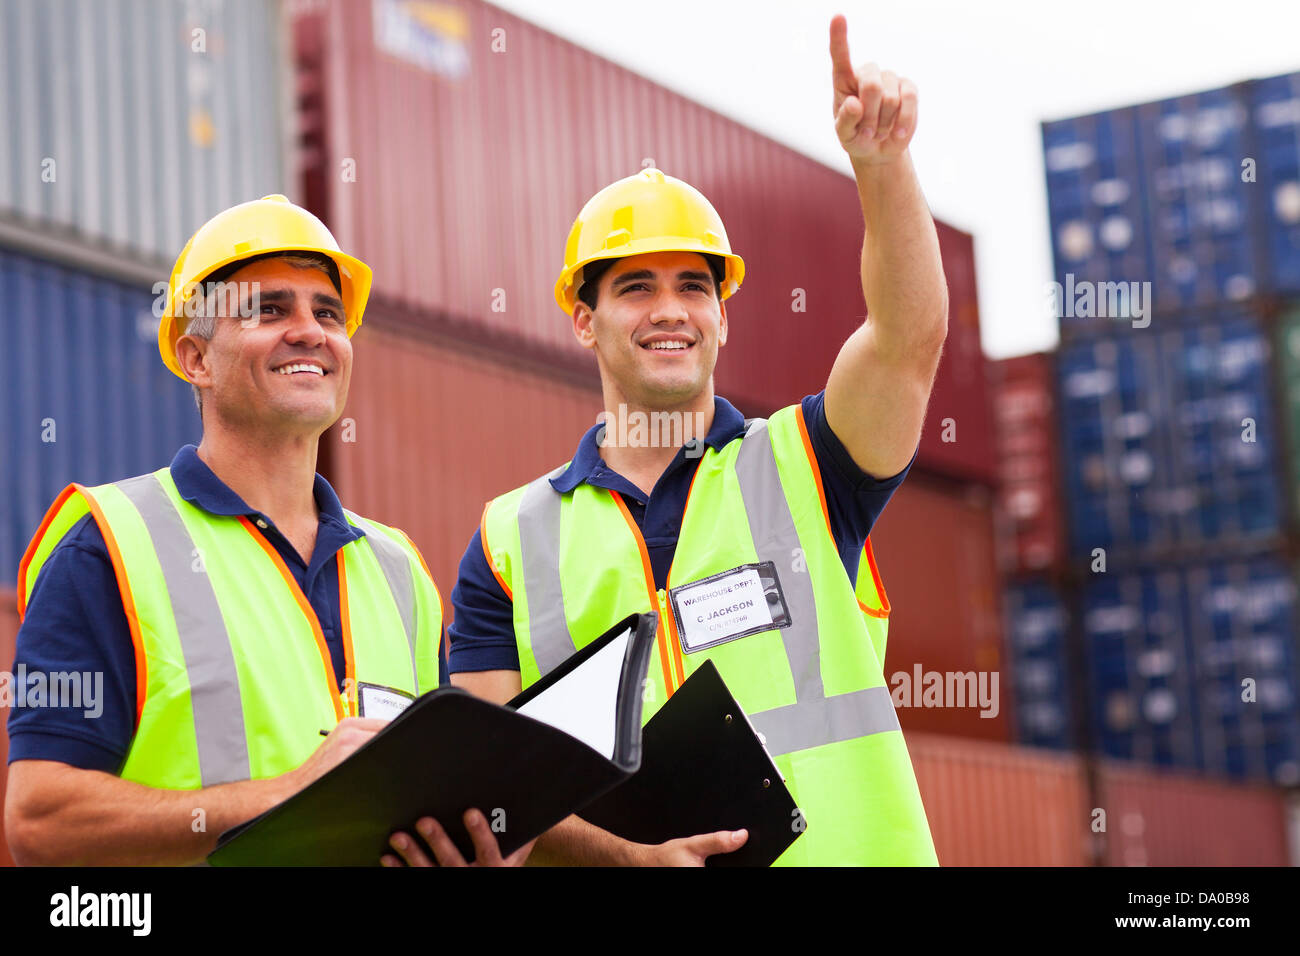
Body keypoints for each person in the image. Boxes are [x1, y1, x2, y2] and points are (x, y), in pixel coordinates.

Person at [442, 15, 946, 866]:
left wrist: (882, 164)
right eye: (635, 287)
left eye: (693, 287)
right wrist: (628, 860)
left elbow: (907, 338)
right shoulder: (504, 545)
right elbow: (488, 803)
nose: (670, 309)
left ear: (722, 317)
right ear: (583, 319)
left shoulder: (810, 467)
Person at [4, 195, 528, 867]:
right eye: (270, 310)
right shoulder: (107, 545)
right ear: (197, 359)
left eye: (328, 312)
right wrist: (290, 793)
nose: (310, 331)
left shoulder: (400, 572)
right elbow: (40, 823)